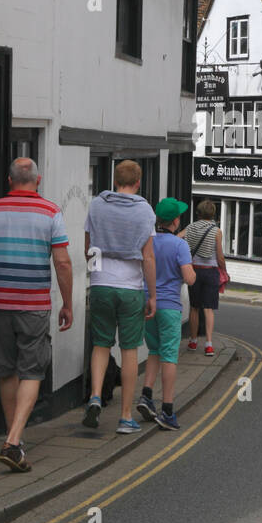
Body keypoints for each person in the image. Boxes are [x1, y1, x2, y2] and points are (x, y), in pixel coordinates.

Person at [0, 158, 72, 472]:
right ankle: (13, 442)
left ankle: (14, 438)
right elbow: (63, 263)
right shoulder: (51, 212)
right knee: (31, 371)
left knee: (6, 370)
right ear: (38, 180)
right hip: (33, 305)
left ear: (9, 179)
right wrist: (67, 303)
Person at [83, 160, 157, 433]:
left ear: (115, 180)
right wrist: (153, 295)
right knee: (128, 350)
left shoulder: (97, 205)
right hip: (130, 288)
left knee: (101, 345)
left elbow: (88, 249)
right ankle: (125, 416)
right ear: (138, 182)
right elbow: (148, 257)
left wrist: (96, 276)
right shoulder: (145, 211)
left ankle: (94, 397)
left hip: (101, 284)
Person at [135, 198, 196, 430]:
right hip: (169, 305)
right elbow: (189, 278)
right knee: (169, 355)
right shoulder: (180, 246)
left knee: (154, 349)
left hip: (147, 302)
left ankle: (146, 395)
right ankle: (168, 410)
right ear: (176, 220)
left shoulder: (148, 241)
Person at [185, 200, 228, 357]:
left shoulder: (190, 227)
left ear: (198, 212)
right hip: (210, 272)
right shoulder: (216, 231)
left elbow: (177, 237)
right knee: (208, 309)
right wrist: (225, 271)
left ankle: (193, 340)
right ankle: (209, 345)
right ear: (213, 214)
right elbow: (220, 256)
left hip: (194, 270)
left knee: (194, 307)